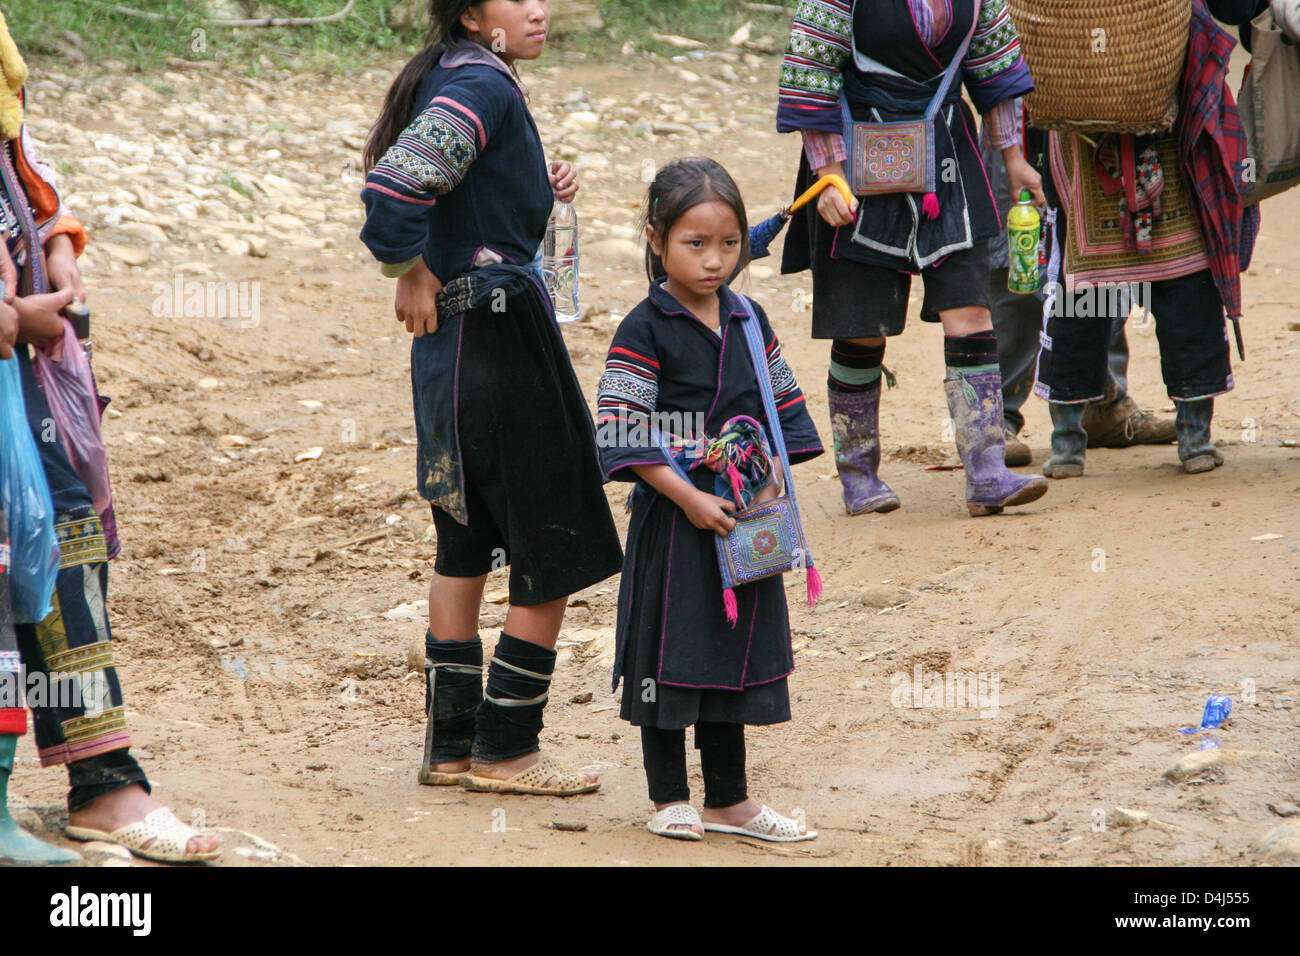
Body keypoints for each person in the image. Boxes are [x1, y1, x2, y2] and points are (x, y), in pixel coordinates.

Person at [360, 0, 623, 796]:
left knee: (466, 544)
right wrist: (405, 267)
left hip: (452, 353)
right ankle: (507, 750)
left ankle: (450, 749)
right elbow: (397, 184)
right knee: (552, 545)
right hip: (502, 348)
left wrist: (528, 183)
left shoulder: (454, 75)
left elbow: (447, 192)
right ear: (474, 15)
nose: (540, 8)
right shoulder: (486, 87)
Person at [0, 15, 220, 864]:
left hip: (25, 372)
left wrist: (55, 244)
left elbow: (22, 156)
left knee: (61, 545)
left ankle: (103, 779)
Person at [597, 158, 822, 842]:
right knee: (666, 652)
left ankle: (730, 800)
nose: (714, 260)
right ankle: (669, 796)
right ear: (655, 240)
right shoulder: (646, 326)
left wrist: (773, 481)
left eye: (728, 244)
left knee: (732, 650)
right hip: (675, 518)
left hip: (742, 515)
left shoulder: (749, 320)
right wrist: (687, 495)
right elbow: (619, 430)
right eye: (695, 244)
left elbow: (781, 412)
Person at [776, 0, 1049, 518]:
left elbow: (996, 64)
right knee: (862, 327)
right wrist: (828, 173)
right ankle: (859, 475)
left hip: (947, 151)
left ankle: (987, 472)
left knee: (970, 310)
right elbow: (812, 73)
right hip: (859, 157)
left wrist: (1014, 160)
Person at [1033, 0, 1257, 476]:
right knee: (1186, 297)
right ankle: (1194, 441)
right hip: (1158, 144)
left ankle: (1068, 447)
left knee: (1080, 301)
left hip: (1088, 145)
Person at [982, 124, 1175, 467]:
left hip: (1092, 111)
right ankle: (995, 418)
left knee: (1101, 252)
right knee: (1019, 262)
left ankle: (1102, 404)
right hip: (1018, 108)